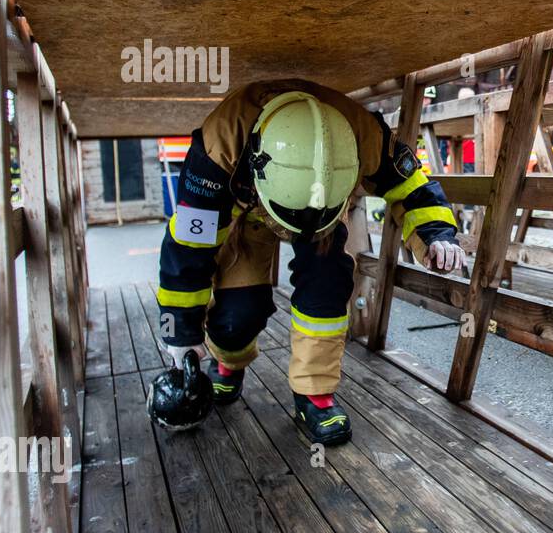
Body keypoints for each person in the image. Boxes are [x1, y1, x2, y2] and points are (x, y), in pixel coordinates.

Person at [156, 78, 465, 445]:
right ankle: (227, 361)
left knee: (328, 281)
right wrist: (182, 334)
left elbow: (411, 184)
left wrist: (436, 234)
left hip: (324, 213)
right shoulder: (217, 147)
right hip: (247, 215)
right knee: (239, 314)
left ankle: (315, 394)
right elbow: (189, 249)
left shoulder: (363, 134)